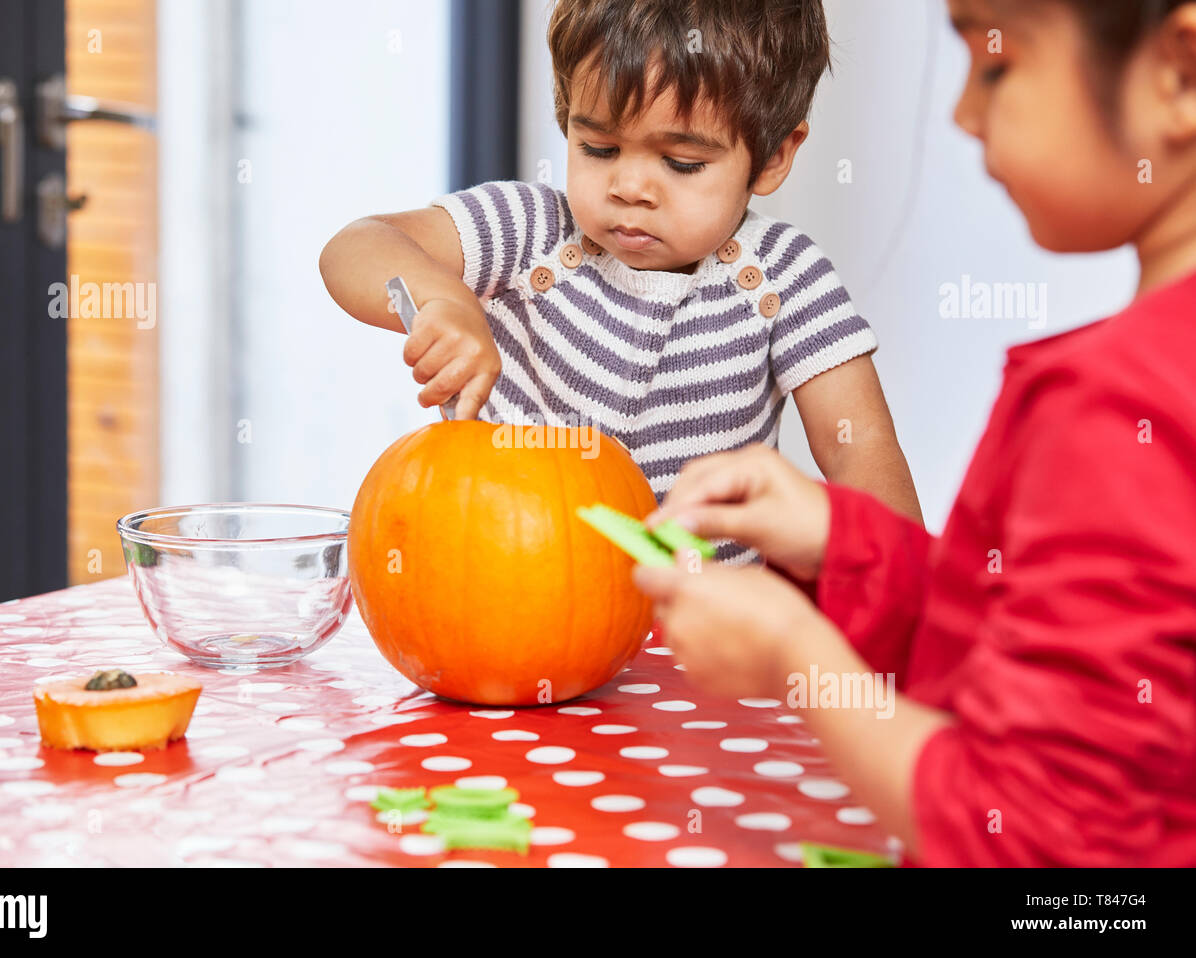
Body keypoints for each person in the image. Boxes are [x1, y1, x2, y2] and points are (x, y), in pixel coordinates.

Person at [635, 0, 1196, 866]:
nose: (964, 113)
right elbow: (1032, 648)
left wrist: (795, 656)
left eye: (998, 63)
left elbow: (1036, 850)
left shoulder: (1122, 410)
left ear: (1182, 72)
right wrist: (844, 543)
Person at [320, 0, 922, 562]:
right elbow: (356, 246)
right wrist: (441, 297)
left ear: (772, 158)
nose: (629, 187)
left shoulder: (781, 277)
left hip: (712, 638)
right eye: (599, 148)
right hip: (509, 598)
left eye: (682, 163)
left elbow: (858, 445)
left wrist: (902, 596)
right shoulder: (530, 232)